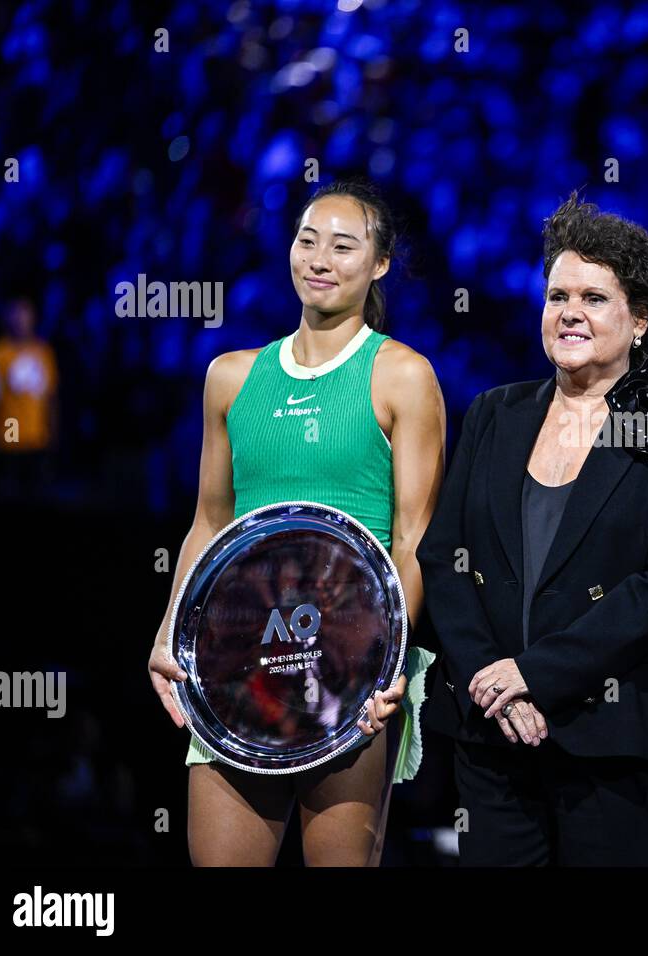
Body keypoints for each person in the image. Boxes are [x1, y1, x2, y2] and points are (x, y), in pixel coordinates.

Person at [146, 177, 445, 866]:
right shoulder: (229, 377)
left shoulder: (401, 375)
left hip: (348, 670)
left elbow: (414, 539)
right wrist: (169, 633)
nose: (319, 258)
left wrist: (380, 663)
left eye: (344, 246)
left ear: (379, 265)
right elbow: (208, 523)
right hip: (237, 663)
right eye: (307, 240)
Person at [416, 192, 648, 866]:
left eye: (594, 298)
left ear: (639, 319)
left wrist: (534, 674)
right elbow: (445, 559)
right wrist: (494, 684)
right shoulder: (496, 413)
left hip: (623, 741)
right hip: (495, 740)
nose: (570, 312)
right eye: (557, 296)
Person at [0, 297, 58, 496]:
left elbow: (51, 396)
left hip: (37, 437)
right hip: (10, 435)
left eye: (25, 314)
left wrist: (53, 430)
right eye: (15, 314)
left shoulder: (43, 352)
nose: (20, 320)